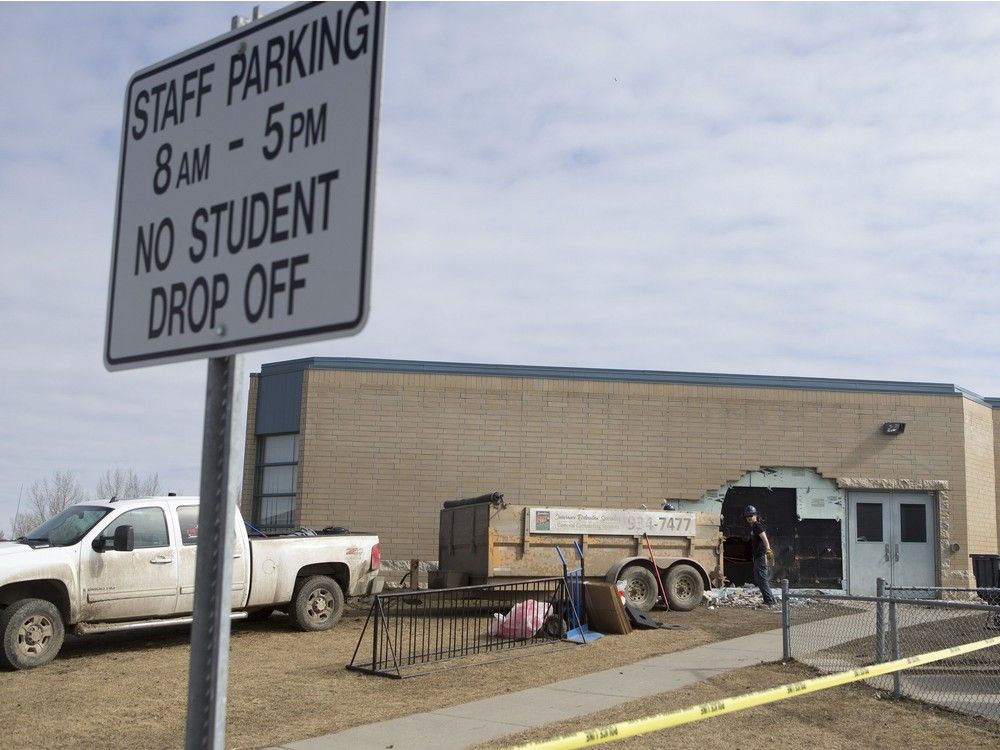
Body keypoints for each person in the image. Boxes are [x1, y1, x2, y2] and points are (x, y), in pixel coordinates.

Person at [743, 505, 776, 606]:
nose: (749, 517)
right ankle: (771, 599)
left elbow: (765, 538)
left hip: (761, 557)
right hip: (757, 557)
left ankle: (769, 601)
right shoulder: (753, 527)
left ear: (756, 515)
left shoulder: (757, 525)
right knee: (760, 579)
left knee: (761, 579)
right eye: (747, 515)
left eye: (751, 515)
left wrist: (768, 550)